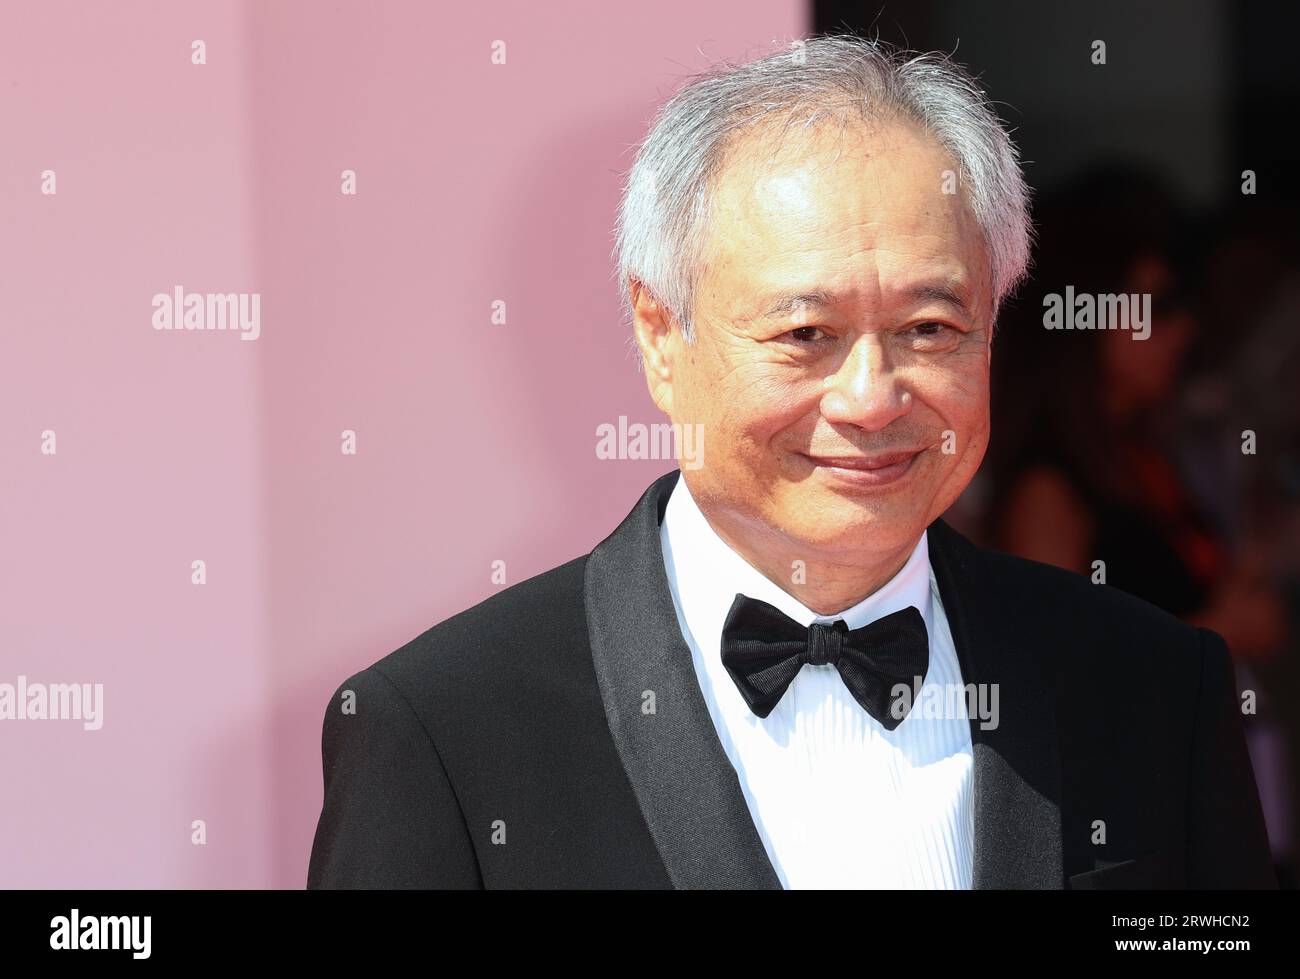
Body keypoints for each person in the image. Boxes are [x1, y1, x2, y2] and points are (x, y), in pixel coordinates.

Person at [306, 35, 1274, 889]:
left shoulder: (1152, 685)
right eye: (805, 331)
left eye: (929, 327)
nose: (870, 397)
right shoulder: (445, 727)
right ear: (660, 336)